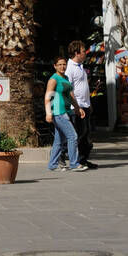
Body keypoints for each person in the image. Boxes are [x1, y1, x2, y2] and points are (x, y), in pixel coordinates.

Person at [45, 57, 86, 172]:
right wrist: (48, 113)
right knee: (72, 136)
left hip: (66, 111)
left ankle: (52, 165)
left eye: (64, 64)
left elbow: (71, 95)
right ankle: (74, 164)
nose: (62, 66)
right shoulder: (53, 79)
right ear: (55, 66)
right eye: (59, 64)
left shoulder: (66, 78)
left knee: (59, 140)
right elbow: (48, 97)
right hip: (58, 112)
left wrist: (78, 108)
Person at [65, 40, 96, 168]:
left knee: (86, 134)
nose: (85, 54)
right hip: (76, 107)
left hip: (85, 104)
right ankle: (74, 160)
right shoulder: (69, 68)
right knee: (79, 134)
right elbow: (69, 89)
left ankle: (83, 159)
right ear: (77, 53)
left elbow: (84, 87)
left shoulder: (81, 67)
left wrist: (89, 104)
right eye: (83, 52)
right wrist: (76, 107)